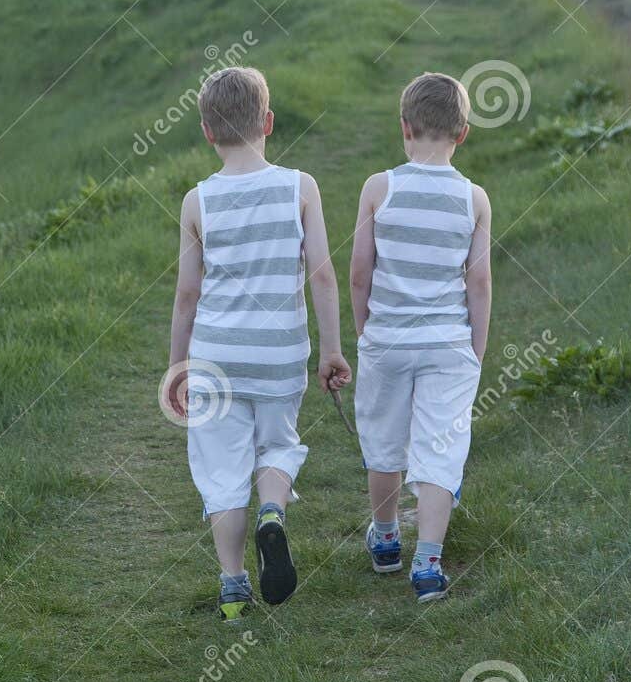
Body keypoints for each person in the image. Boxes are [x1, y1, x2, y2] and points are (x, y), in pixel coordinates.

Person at [167, 66, 351, 621]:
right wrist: (332, 350)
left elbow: (187, 294)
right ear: (268, 122)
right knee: (276, 446)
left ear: (206, 132)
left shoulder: (197, 201)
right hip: (280, 351)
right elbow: (321, 274)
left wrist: (178, 365)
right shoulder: (301, 187)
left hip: (218, 354)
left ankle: (232, 586)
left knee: (222, 468)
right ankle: (273, 512)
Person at [349, 72, 491, 602]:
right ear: (464, 133)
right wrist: (475, 347)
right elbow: (478, 280)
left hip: (387, 337)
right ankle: (427, 563)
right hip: (448, 344)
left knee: (384, 441)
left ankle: (386, 539)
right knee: (441, 446)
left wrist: (366, 328)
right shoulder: (474, 199)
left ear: (405, 128)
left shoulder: (378, 187)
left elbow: (360, 271)